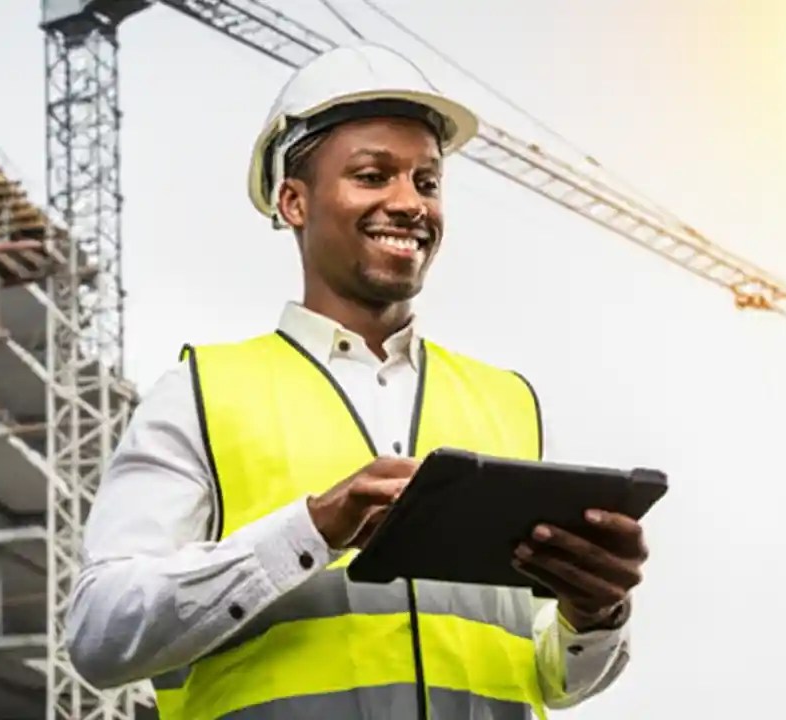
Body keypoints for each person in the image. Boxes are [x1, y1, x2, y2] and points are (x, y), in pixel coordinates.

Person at [65, 42, 650, 720]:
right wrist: (311, 530)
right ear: (293, 201)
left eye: (427, 183)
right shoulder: (202, 392)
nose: (410, 204)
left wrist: (596, 612)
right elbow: (99, 634)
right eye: (374, 176)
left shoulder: (507, 403)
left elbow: (545, 677)